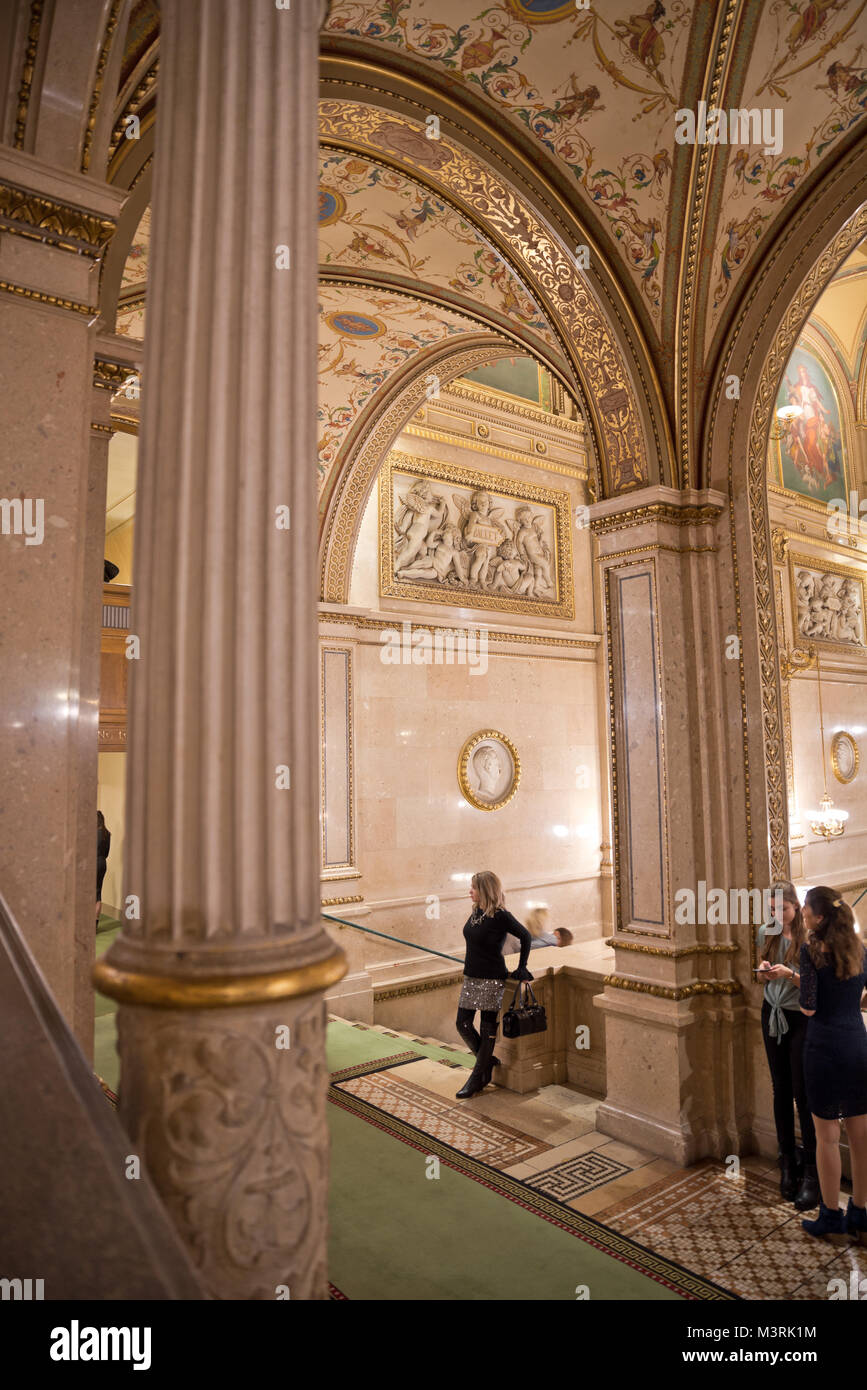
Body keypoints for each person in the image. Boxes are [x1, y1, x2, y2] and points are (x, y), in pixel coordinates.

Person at [797, 887, 867, 1243]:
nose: (802, 912)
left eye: (806, 907)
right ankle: (861, 1212)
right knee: (861, 1136)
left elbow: (808, 1007)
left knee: (826, 1138)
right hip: (857, 1044)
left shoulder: (811, 953)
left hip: (823, 1048)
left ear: (819, 917)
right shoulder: (860, 949)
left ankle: (831, 1215)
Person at [756, 882, 817, 1207]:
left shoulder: (812, 939)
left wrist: (790, 975)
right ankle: (787, 1162)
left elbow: (821, 985)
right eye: (772, 910)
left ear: (796, 906)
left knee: (803, 1092)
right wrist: (765, 973)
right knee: (780, 1088)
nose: (777, 916)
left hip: (800, 1018)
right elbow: (759, 974)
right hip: (772, 1013)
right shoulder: (766, 932)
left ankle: (812, 1170)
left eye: (783, 909)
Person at [455, 870, 533, 1100]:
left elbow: (525, 936)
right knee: (463, 1024)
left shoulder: (500, 916)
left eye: (474, 888)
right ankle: (486, 1062)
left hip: (492, 978)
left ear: (485, 890)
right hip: (471, 977)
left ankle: (477, 1078)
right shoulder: (476, 912)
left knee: (488, 1028)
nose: (470, 891)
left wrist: (522, 966)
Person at [96, 810, 111, 929]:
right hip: (102, 863)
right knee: (98, 893)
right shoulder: (107, 834)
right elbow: (107, 853)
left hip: (93, 863)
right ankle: (94, 925)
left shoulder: (93, 833)